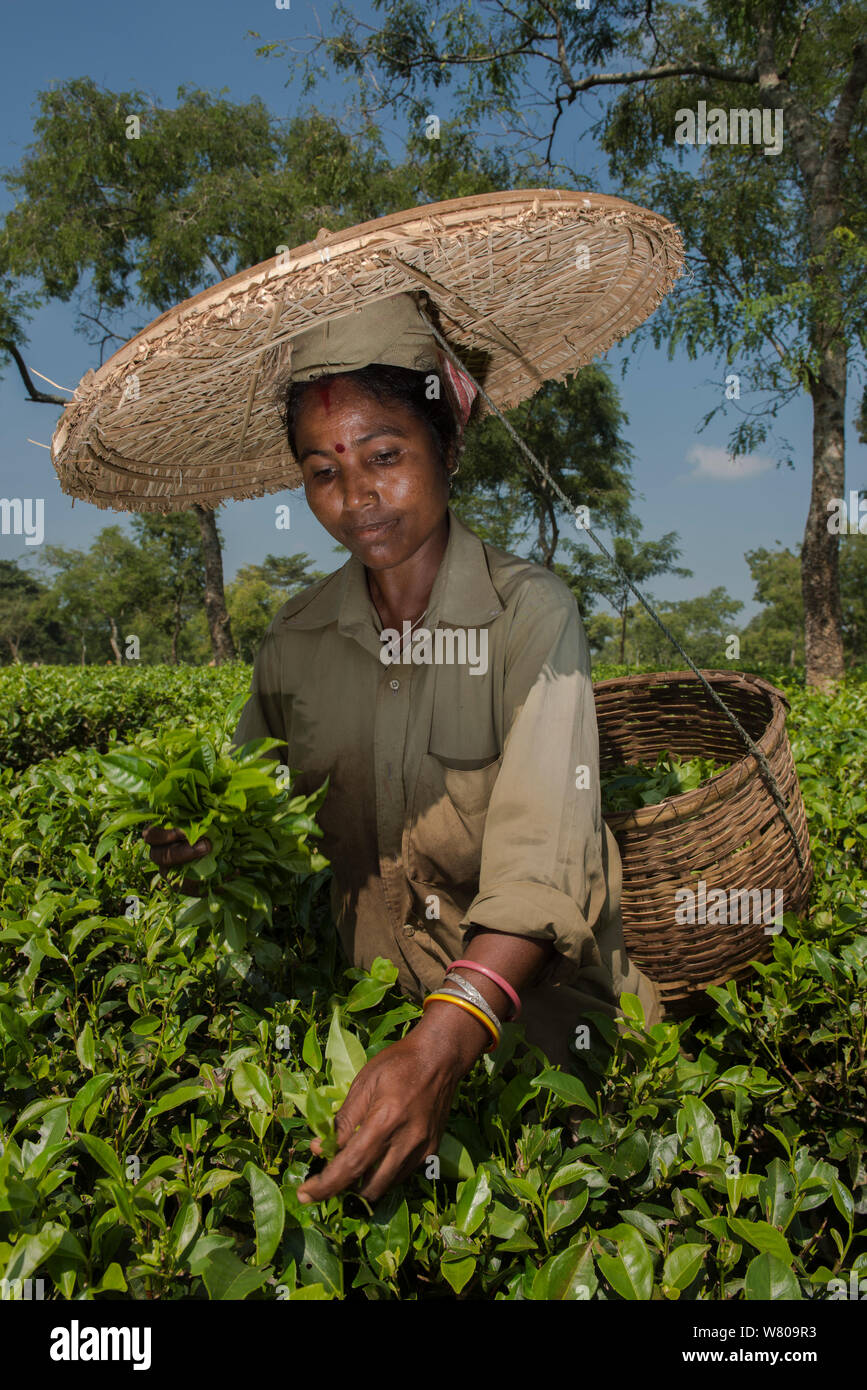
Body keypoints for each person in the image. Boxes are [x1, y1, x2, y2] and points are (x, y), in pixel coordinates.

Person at [143, 293, 662, 1207]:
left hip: (547, 1052)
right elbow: (260, 821)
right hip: (377, 1049)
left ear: (448, 448)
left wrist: (445, 1035)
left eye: (385, 455)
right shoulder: (294, 642)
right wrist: (206, 847)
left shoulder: (529, 615)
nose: (356, 498)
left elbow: (543, 858)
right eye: (322, 471)